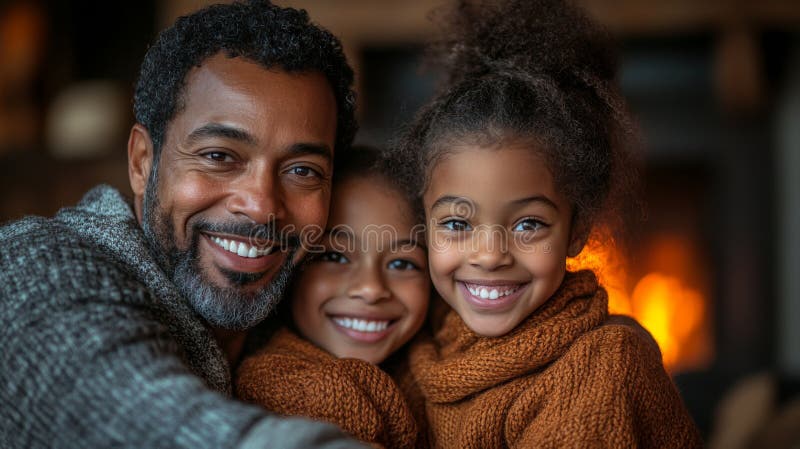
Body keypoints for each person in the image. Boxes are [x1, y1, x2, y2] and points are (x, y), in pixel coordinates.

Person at [0, 1, 370, 448]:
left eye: (303, 170)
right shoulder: (32, 266)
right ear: (142, 162)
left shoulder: (322, 308)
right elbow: (147, 418)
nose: (260, 205)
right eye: (218, 157)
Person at [396, 0, 704, 447]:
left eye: (528, 225)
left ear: (576, 228)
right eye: (457, 225)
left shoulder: (603, 363)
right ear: (423, 224)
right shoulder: (424, 344)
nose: (490, 255)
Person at [235, 146, 429, 449]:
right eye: (334, 256)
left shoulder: (429, 364)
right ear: (290, 267)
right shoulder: (293, 392)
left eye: (402, 263)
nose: (371, 288)